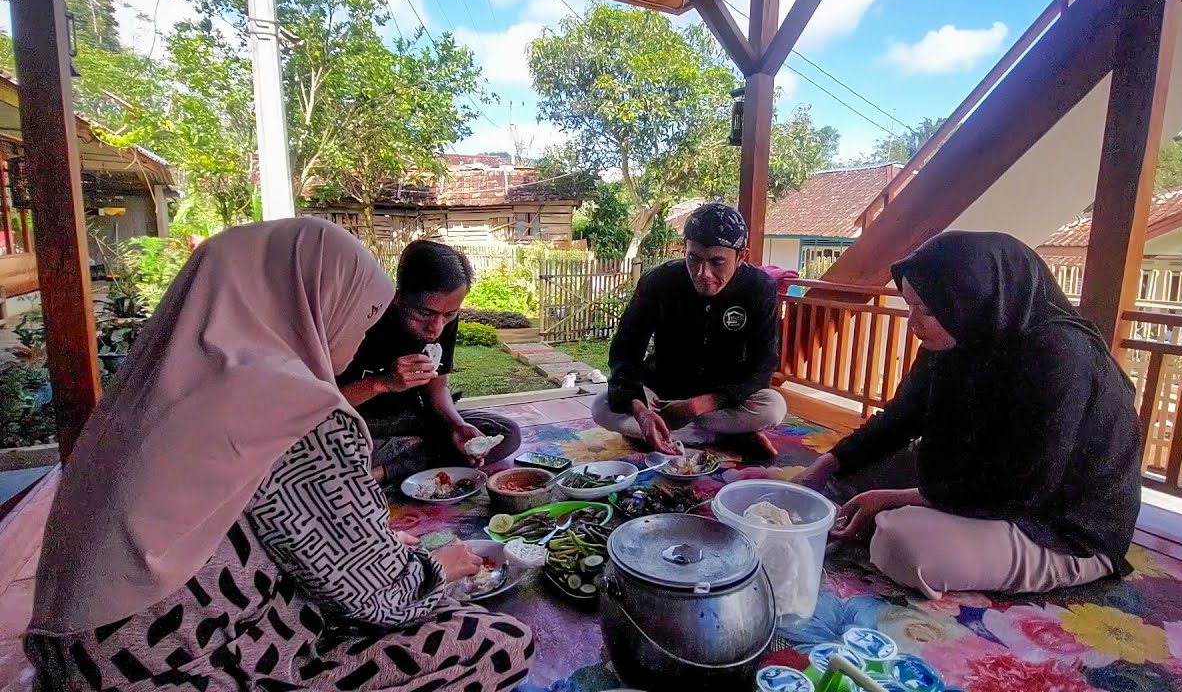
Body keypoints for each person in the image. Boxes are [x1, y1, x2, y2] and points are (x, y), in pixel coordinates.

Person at [26, 219, 534, 690]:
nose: (363, 327)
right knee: (499, 641)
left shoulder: (150, 390)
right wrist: (436, 564)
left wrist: (358, 535)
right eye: (364, 315)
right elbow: (382, 596)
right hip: (184, 663)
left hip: (77, 658)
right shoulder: (292, 406)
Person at [796, 231, 1141, 600]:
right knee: (848, 478)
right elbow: (902, 417)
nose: (913, 322)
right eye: (910, 306)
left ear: (974, 299)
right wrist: (828, 463)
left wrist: (896, 498)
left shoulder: (1059, 354)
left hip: (1058, 524)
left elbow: (1023, 486)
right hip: (983, 486)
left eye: (928, 310)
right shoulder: (963, 334)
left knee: (901, 542)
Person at [592, 202, 787, 458]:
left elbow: (763, 365)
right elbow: (625, 352)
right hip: (662, 394)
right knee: (601, 406)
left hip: (718, 402)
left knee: (772, 408)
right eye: (693, 259)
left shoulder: (759, 288)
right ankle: (724, 435)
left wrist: (699, 405)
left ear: (741, 256)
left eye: (717, 262)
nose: (703, 273)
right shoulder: (658, 281)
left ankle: (660, 434)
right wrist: (640, 411)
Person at [338, 240, 521, 484]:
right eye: (424, 313)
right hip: (358, 425)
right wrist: (382, 383)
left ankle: (383, 471)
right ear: (398, 296)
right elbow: (321, 407)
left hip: (414, 420)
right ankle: (404, 458)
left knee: (506, 433)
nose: (436, 328)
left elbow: (437, 388)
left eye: (450, 315)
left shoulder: (442, 320)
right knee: (319, 452)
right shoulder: (361, 321)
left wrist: (456, 425)